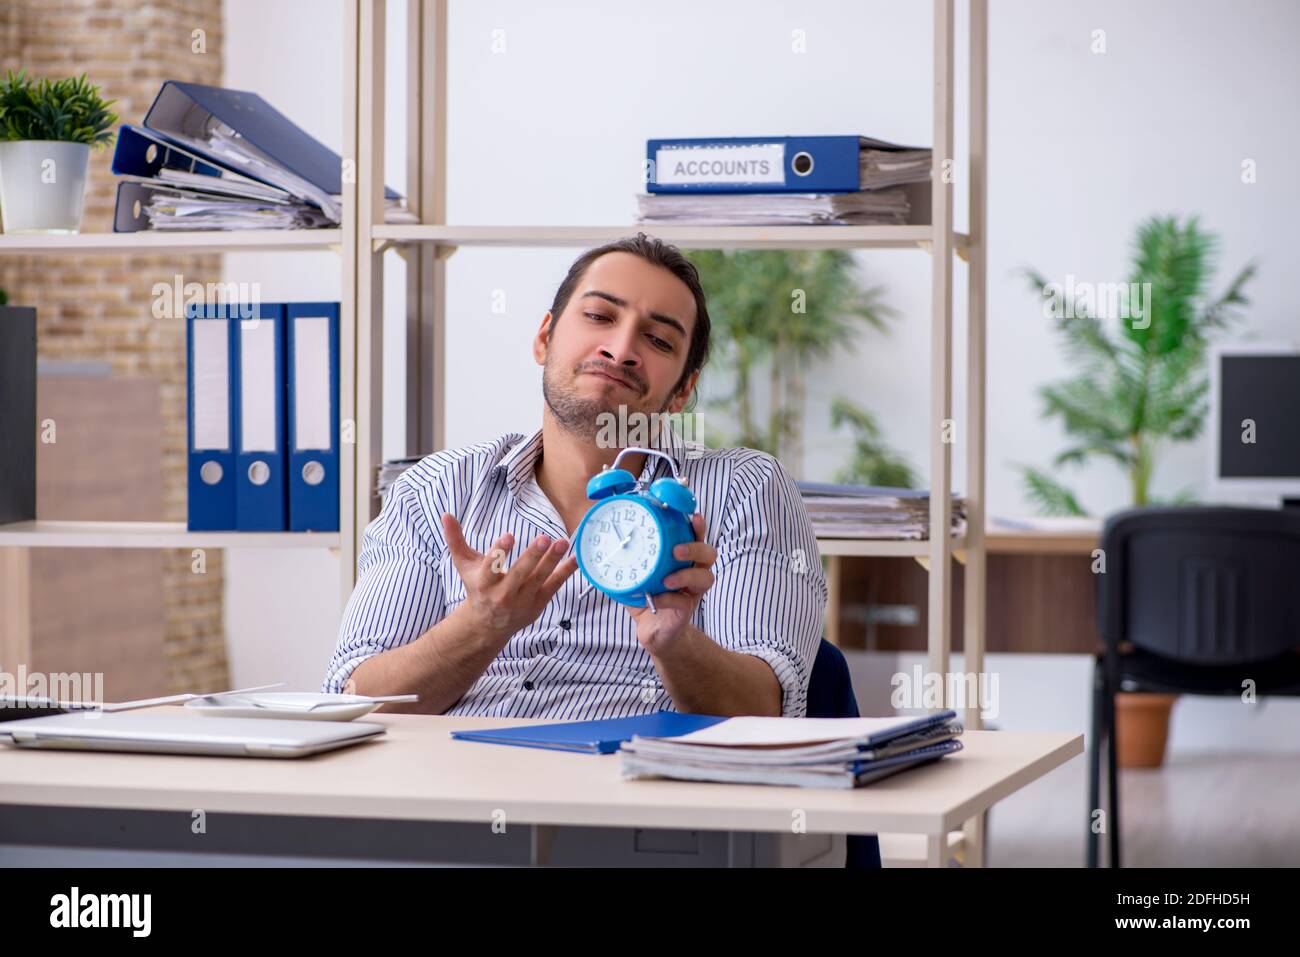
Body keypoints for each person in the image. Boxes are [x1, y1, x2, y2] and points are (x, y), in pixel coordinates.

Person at [323, 233, 826, 719]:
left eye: (657, 339)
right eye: (599, 316)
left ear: (682, 391)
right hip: (454, 786)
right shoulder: (436, 488)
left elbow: (766, 710)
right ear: (544, 338)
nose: (621, 348)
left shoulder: (743, 489)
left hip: (632, 787)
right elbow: (355, 699)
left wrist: (675, 644)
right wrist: (479, 626)